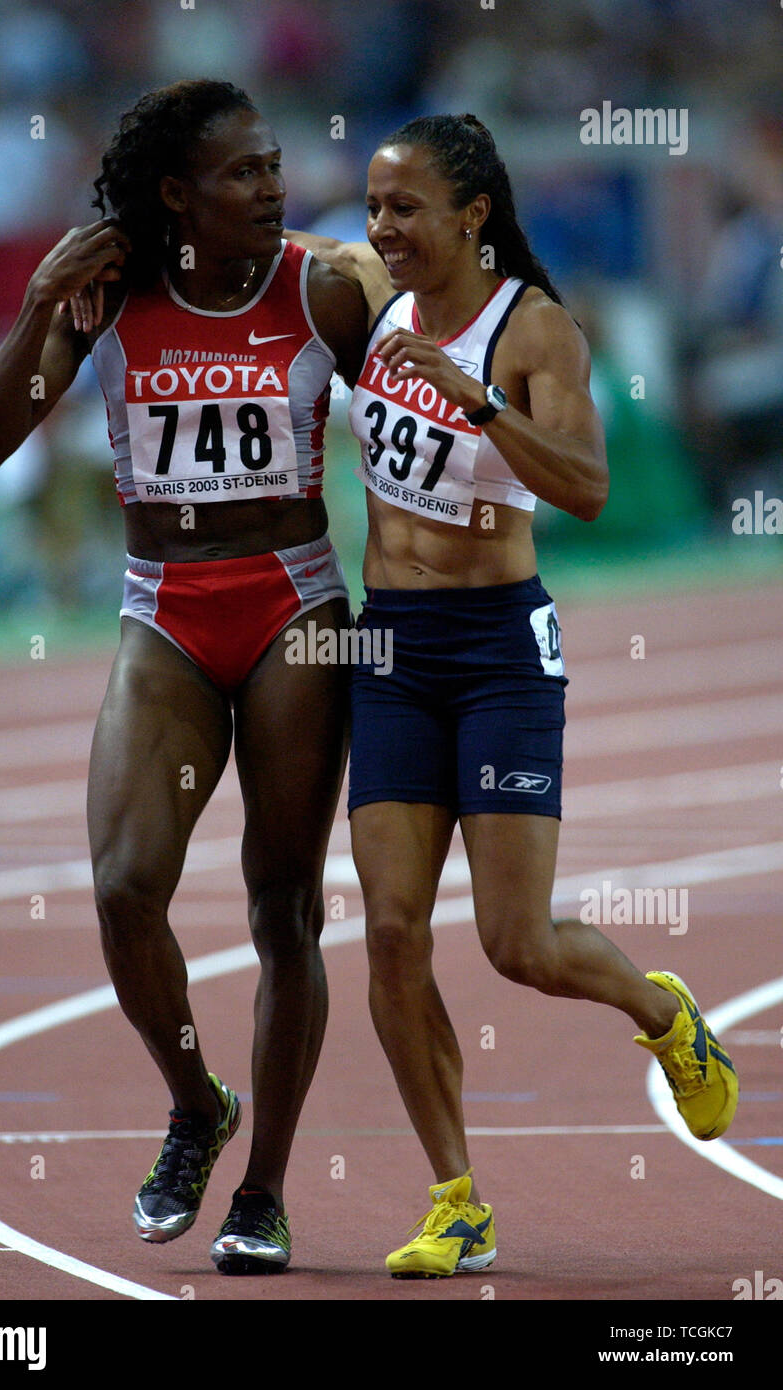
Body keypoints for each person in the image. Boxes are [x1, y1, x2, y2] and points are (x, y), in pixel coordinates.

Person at [289, 113, 738, 1279]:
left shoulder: (532, 328)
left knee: (517, 942)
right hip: (391, 644)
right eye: (376, 207)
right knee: (388, 930)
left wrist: (475, 402)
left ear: (473, 215)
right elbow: (264, 245)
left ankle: (664, 1013)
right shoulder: (366, 285)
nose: (383, 227)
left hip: (497, 646)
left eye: (407, 209)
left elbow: (587, 487)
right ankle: (457, 1197)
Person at [0, 79, 368, 1276]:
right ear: (178, 194)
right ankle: (197, 1101)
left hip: (294, 599)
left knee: (282, 906)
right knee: (126, 885)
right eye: (243, 173)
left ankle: (266, 1190)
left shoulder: (321, 289)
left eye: (277, 165)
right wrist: (39, 304)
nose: (273, 186)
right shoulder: (106, 295)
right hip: (166, 615)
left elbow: (404, 436)